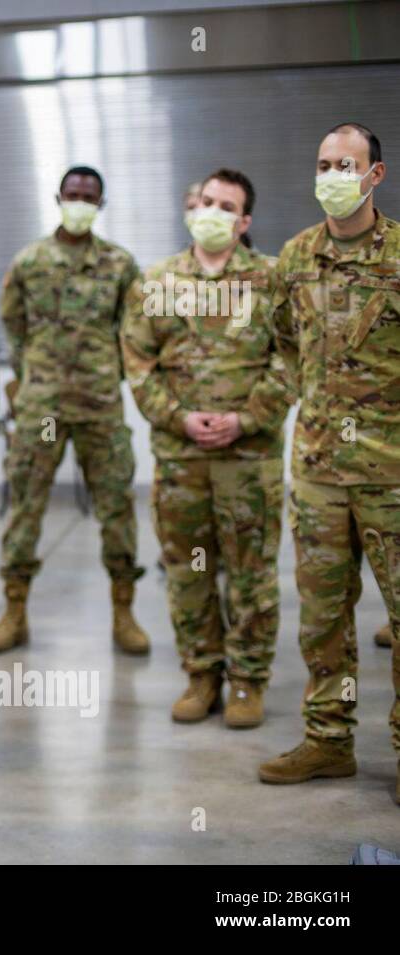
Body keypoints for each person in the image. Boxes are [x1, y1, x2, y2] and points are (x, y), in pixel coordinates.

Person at [121, 168, 292, 727]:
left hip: (250, 458)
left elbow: (292, 358)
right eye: (206, 202)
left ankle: (246, 682)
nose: (212, 213)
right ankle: (201, 675)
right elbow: (139, 364)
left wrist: (245, 418)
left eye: (227, 206)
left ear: (244, 221)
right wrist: (179, 418)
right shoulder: (157, 281)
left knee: (251, 572)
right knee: (188, 570)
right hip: (181, 457)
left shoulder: (272, 280)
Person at [263, 123, 399, 800]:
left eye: (346, 164)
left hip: (392, 470)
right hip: (317, 469)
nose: (332, 174)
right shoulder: (295, 257)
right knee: (321, 617)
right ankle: (328, 739)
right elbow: (284, 343)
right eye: (323, 163)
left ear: (375, 175)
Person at [0, 165, 150, 655]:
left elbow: (134, 329)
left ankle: (125, 611)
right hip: (43, 408)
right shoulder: (31, 261)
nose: (79, 202)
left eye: (89, 196)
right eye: (72, 194)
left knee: (118, 506)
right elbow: (12, 322)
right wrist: (34, 371)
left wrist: (109, 371)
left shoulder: (121, 264)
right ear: (59, 197)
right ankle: (14, 610)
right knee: (26, 506)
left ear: (101, 204)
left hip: (101, 404)